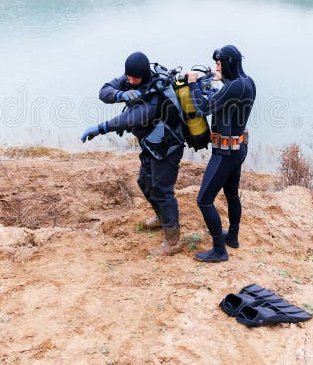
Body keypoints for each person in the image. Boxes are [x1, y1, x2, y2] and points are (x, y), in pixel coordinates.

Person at [81, 51, 184, 256]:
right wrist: (120, 94)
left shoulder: (154, 95)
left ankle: (173, 241)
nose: (130, 80)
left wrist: (100, 128)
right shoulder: (131, 79)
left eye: (134, 77)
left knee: (162, 190)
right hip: (151, 144)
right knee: (144, 182)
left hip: (168, 147)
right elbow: (104, 91)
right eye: (128, 76)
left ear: (144, 74)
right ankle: (161, 219)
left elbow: (130, 119)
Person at [187, 45, 256, 262]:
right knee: (232, 194)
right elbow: (231, 93)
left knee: (204, 200)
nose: (216, 66)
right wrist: (221, 79)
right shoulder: (247, 82)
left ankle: (219, 249)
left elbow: (204, 108)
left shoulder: (233, 87)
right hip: (238, 149)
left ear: (227, 63)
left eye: (219, 63)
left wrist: (192, 84)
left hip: (224, 153)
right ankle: (232, 237)